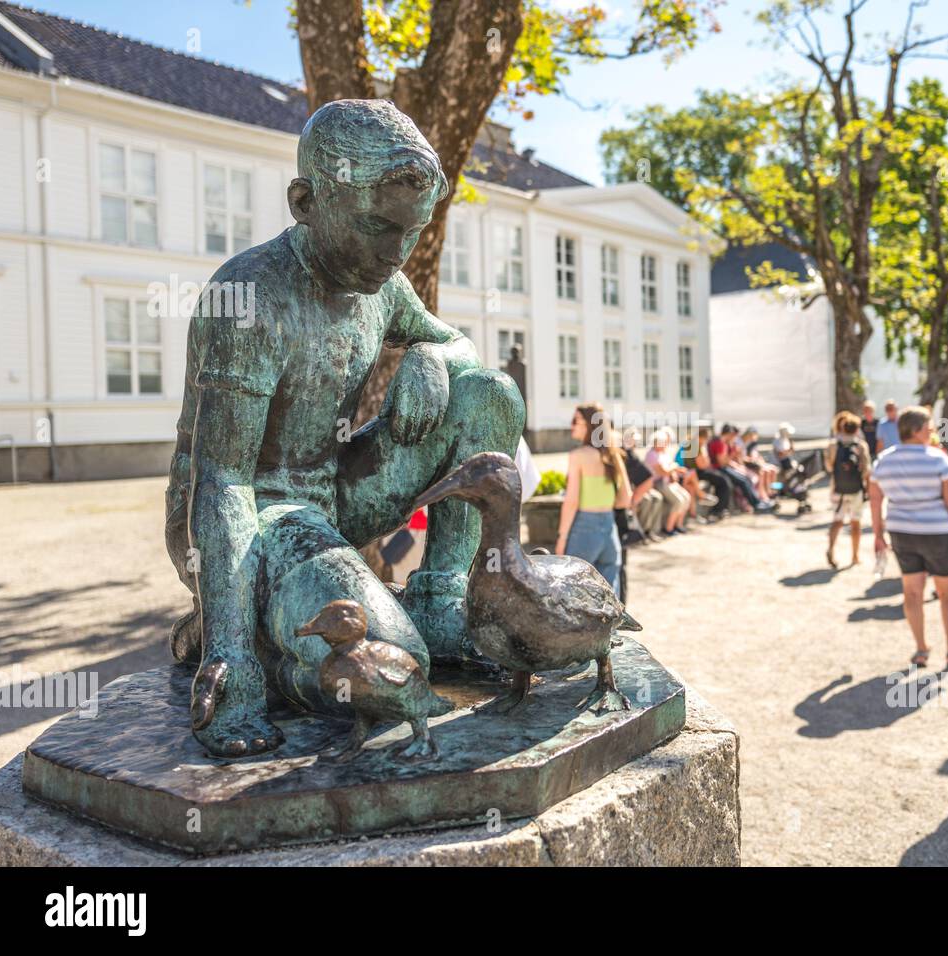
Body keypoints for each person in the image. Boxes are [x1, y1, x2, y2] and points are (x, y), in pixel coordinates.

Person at [163, 99, 525, 756]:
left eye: (411, 233)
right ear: (306, 200)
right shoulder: (248, 298)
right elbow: (222, 481)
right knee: (388, 663)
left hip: (338, 487)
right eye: (377, 228)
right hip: (257, 506)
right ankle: (254, 650)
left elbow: (461, 347)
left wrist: (430, 355)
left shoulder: (384, 286)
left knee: (488, 394)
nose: (396, 253)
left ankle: (442, 602)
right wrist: (231, 659)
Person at [870, 406, 948, 670]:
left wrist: (878, 535)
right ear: (916, 431)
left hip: (902, 532)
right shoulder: (937, 459)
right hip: (938, 533)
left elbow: (875, 501)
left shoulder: (883, 460)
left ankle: (921, 648)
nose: (932, 432)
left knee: (912, 594)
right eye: (929, 427)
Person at [557, 403, 632, 595]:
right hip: (609, 530)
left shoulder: (578, 456)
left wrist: (562, 537)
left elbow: (572, 501)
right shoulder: (613, 455)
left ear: (589, 425)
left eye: (576, 421)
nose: (571, 425)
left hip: (584, 529)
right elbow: (625, 499)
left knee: (573, 592)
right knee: (608, 598)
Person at [825, 414, 870, 568]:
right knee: (855, 523)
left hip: (837, 489)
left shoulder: (833, 445)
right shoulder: (861, 446)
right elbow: (866, 469)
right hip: (856, 490)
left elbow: (829, 467)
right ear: (857, 429)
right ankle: (855, 556)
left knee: (837, 521)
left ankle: (831, 548)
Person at [710, 424, 776, 513]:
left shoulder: (723, 443)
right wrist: (734, 454)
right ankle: (756, 504)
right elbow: (722, 462)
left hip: (724, 467)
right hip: (720, 468)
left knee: (745, 479)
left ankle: (758, 502)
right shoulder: (720, 443)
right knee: (743, 481)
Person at [622, 427, 666, 541]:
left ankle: (649, 531)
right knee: (647, 501)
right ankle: (641, 532)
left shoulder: (632, 454)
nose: (635, 443)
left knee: (656, 498)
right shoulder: (625, 454)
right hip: (629, 491)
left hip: (636, 489)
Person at [645, 428, 691, 535]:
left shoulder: (662, 453)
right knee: (678, 501)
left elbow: (670, 467)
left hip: (667, 482)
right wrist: (674, 468)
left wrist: (674, 470)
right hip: (658, 483)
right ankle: (669, 528)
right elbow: (663, 471)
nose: (665, 444)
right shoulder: (652, 454)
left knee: (686, 497)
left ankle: (678, 525)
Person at [692, 426, 732, 518]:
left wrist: (705, 461)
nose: (708, 439)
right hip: (697, 472)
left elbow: (706, 462)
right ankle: (718, 510)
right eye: (707, 437)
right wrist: (705, 461)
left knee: (723, 480)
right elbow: (700, 465)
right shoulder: (695, 446)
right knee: (722, 481)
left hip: (703, 470)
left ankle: (721, 508)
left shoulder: (702, 446)